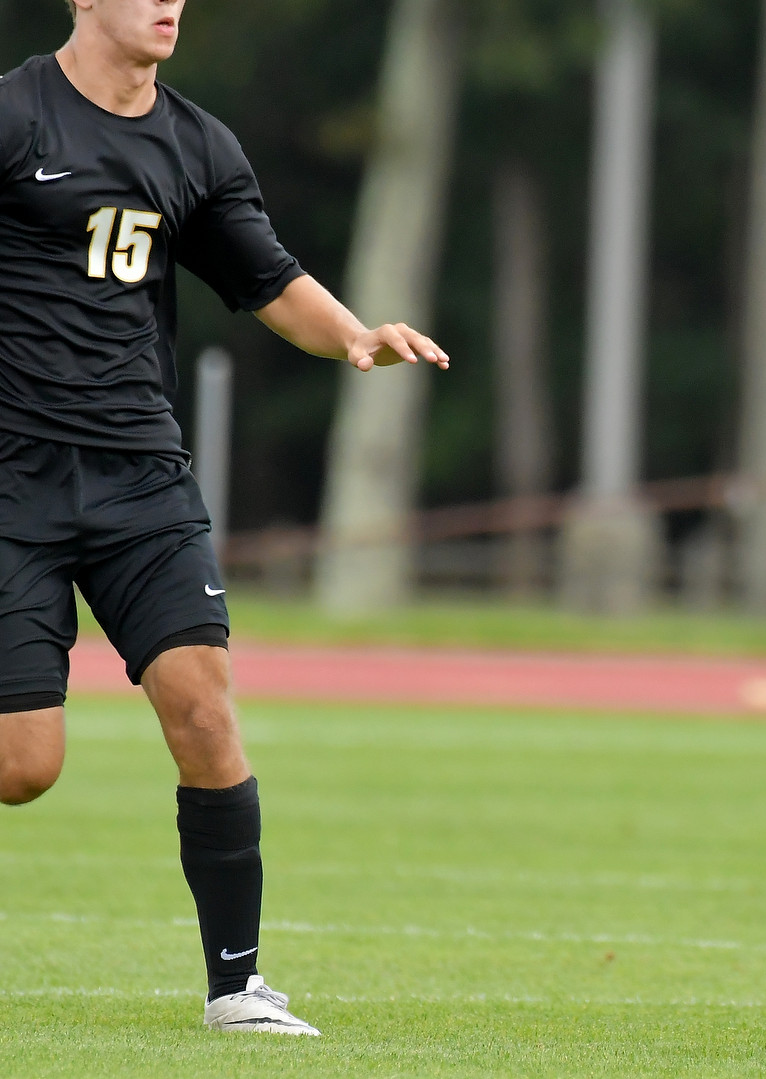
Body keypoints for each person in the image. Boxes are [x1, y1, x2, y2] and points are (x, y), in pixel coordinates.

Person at [0, 0, 449, 1035]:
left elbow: (267, 276)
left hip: (141, 478)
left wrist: (353, 336)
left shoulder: (198, 144)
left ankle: (236, 986)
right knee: (24, 768)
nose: (170, 4)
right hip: (15, 482)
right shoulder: (17, 117)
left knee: (204, 711)